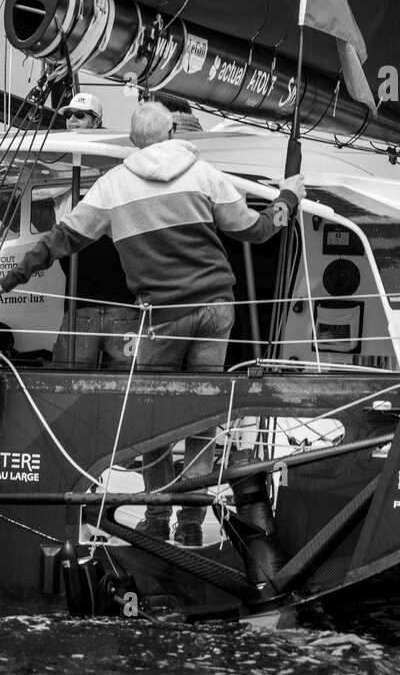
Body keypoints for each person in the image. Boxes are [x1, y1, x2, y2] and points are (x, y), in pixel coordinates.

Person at [0, 101, 305, 542]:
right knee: (200, 418)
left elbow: (61, 239)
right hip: (218, 311)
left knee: (154, 417)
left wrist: (12, 276)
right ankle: (191, 525)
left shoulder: (114, 186)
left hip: (165, 315)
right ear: (169, 134)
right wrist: (288, 200)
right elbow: (256, 230)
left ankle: (159, 517)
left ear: (134, 140)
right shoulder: (204, 174)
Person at [53, 92, 139, 367]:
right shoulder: (60, 164)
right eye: (68, 115)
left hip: (113, 304)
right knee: (67, 386)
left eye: (80, 115)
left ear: (97, 121)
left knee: (124, 390)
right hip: (88, 303)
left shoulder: (119, 161)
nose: (72, 121)